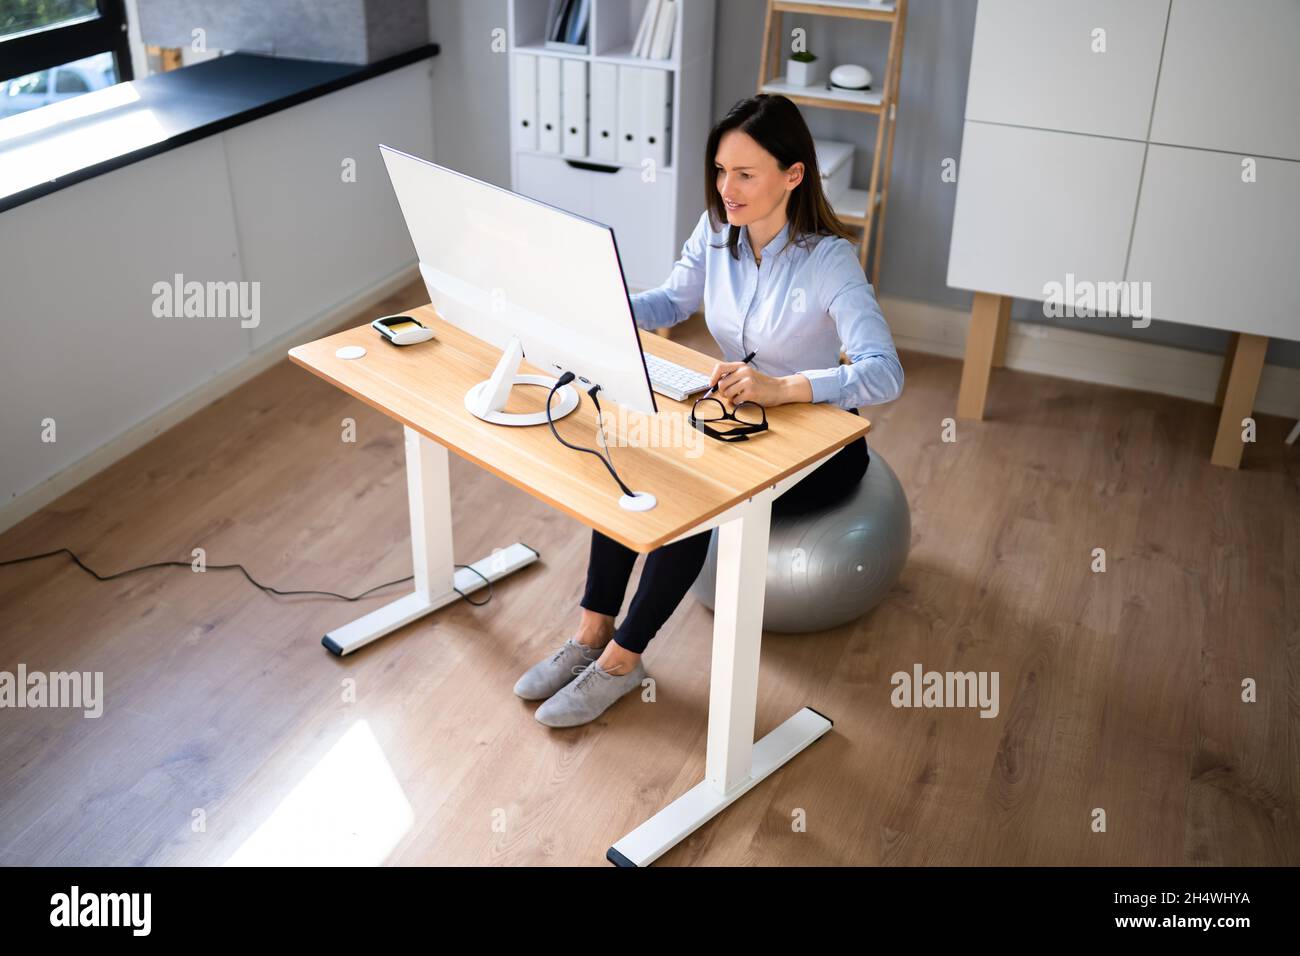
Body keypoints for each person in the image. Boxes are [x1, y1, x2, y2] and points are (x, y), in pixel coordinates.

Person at [516, 94, 904, 727]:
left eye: (745, 174)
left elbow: (884, 373)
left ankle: (621, 661)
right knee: (630, 462)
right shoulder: (718, 231)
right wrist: (598, 305)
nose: (727, 188)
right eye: (721, 170)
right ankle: (590, 634)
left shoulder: (830, 260)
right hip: (732, 422)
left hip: (818, 450)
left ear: (793, 174)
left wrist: (785, 388)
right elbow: (673, 300)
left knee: (692, 503)